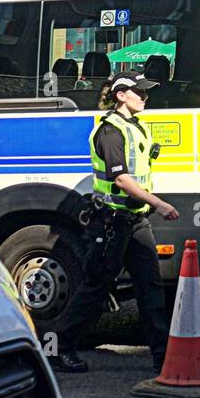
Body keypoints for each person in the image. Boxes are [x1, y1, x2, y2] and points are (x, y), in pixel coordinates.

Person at [53, 73, 179, 374]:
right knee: (96, 288)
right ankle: (61, 348)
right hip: (111, 223)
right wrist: (158, 203)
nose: (144, 98)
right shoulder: (110, 132)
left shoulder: (135, 126)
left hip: (136, 220)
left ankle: (163, 357)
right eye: (139, 92)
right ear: (121, 95)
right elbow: (121, 179)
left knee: (151, 288)